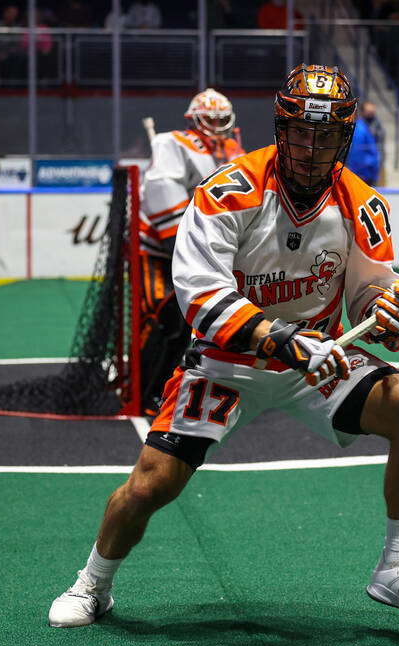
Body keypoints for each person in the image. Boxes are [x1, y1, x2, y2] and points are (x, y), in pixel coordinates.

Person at [47, 64, 399, 628]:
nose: (311, 148)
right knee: (149, 486)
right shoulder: (228, 190)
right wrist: (284, 340)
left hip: (316, 362)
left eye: (327, 135)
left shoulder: (363, 205)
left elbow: (369, 301)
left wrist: (398, 310)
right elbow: (200, 297)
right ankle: (92, 583)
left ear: (344, 139)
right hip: (227, 365)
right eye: (300, 132)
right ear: (280, 129)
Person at [137, 89, 245, 414]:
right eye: (208, 118)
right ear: (193, 119)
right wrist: (177, 244)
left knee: (199, 319)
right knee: (164, 314)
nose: (215, 124)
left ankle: (176, 383)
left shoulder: (235, 152)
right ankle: (143, 389)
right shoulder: (172, 142)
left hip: (205, 252)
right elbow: (160, 188)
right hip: (160, 250)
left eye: (220, 118)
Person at [346, 111, 380, 185]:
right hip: (362, 173)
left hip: (363, 173)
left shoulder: (360, 128)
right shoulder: (360, 128)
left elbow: (359, 152)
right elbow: (358, 152)